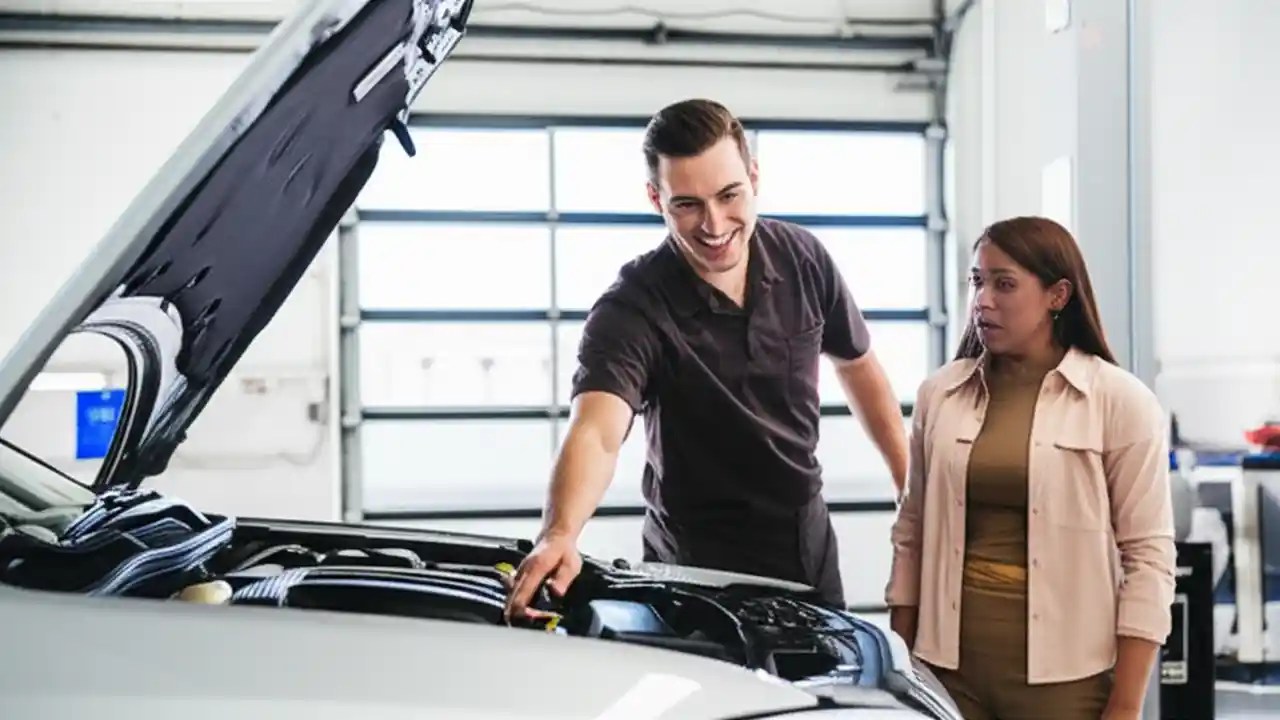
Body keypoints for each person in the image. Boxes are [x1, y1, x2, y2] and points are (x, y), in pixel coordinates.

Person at [503, 98, 909, 619]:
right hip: (693, 569)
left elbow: (858, 366)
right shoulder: (632, 306)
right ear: (656, 199)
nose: (714, 224)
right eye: (687, 204)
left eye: (729, 195)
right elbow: (598, 432)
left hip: (804, 549)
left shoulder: (804, 258)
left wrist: (908, 485)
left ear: (754, 176)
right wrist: (559, 533)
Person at [885, 216, 1175, 719]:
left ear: (1057, 296)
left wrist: (1126, 705)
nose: (983, 300)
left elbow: (1148, 559)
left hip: (1066, 681)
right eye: (978, 281)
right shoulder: (941, 394)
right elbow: (910, 535)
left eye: (1005, 284)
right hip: (946, 672)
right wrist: (897, 672)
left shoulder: (1118, 401)